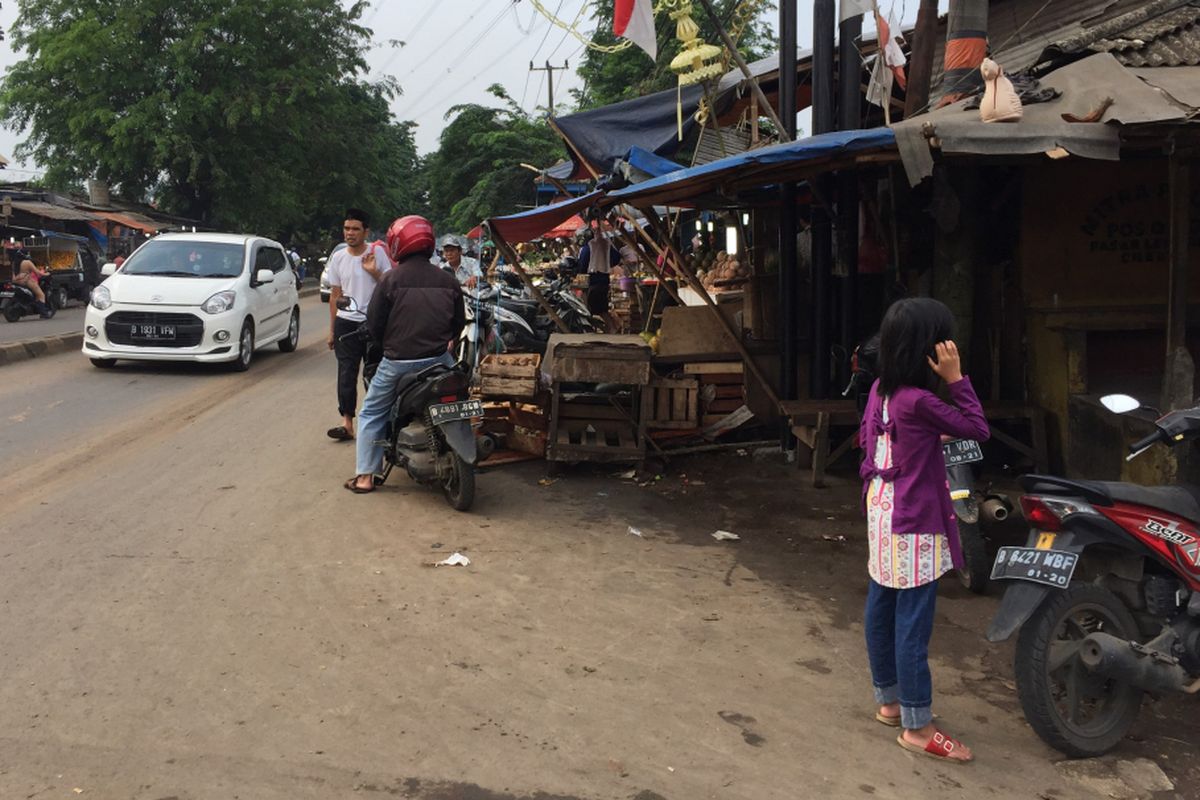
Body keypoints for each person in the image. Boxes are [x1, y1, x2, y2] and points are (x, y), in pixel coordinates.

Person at [858, 298, 989, 764]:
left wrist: (927, 437)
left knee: (881, 606)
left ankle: (890, 701)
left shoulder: (881, 391)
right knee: (912, 624)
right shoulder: (925, 399)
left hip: (881, 512)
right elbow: (977, 428)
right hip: (915, 521)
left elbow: (877, 439)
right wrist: (957, 379)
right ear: (931, 351)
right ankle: (919, 725)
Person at [344, 215, 466, 493]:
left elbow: (374, 325)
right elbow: (458, 324)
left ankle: (365, 477)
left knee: (372, 412)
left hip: (399, 362)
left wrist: (384, 342)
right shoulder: (447, 280)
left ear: (398, 243)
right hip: (439, 360)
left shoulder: (390, 280)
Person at [326, 208, 392, 441]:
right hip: (346, 324)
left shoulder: (377, 254)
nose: (350, 233)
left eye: (355, 229)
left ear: (366, 231)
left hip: (374, 323)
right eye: (346, 228)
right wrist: (332, 330)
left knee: (374, 373)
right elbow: (335, 294)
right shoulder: (339, 257)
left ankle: (377, 423)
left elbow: (390, 288)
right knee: (346, 373)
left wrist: (374, 272)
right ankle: (347, 423)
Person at [578, 229, 620, 332]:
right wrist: (606, 264)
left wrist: (580, 281)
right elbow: (617, 258)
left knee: (594, 308)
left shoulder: (587, 248)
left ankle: (611, 328)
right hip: (604, 280)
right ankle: (610, 328)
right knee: (602, 307)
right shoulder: (606, 245)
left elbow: (582, 266)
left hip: (592, 281)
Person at [10, 249, 54, 318]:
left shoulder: (14, 262)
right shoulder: (27, 262)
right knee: (41, 295)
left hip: (16, 281)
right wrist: (47, 274)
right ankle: (44, 313)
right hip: (26, 281)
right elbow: (38, 272)